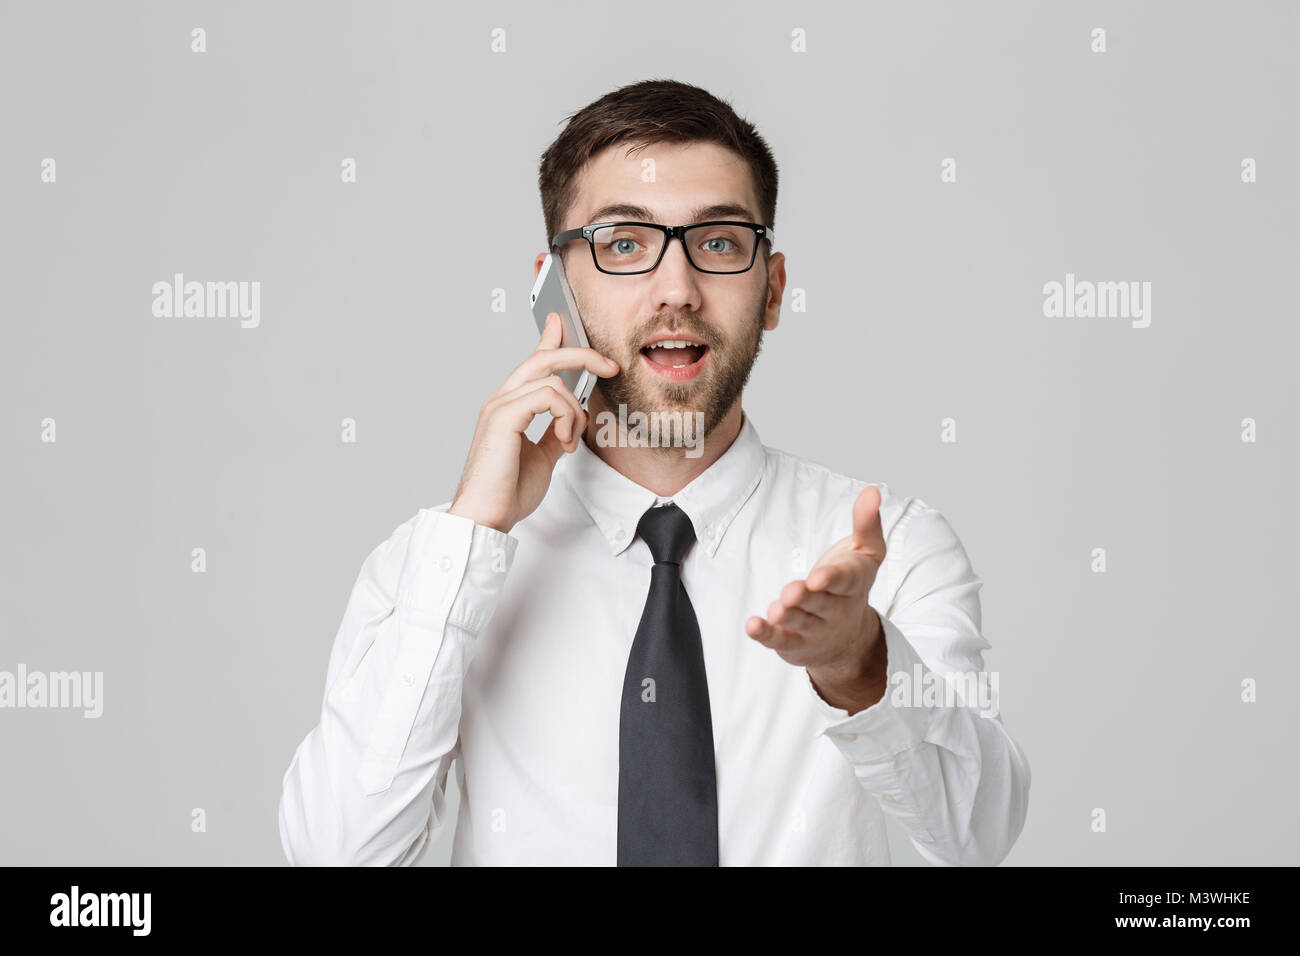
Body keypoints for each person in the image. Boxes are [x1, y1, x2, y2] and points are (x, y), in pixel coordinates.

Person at [278, 78, 1030, 866]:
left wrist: (861, 668)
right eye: (624, 244)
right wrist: (472, 533)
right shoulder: (431, 566)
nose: (678, 290)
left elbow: (981, 834)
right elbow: (336, 854)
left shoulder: (892, 547)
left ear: (771, 289)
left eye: (719, 242)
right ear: (553, 290)